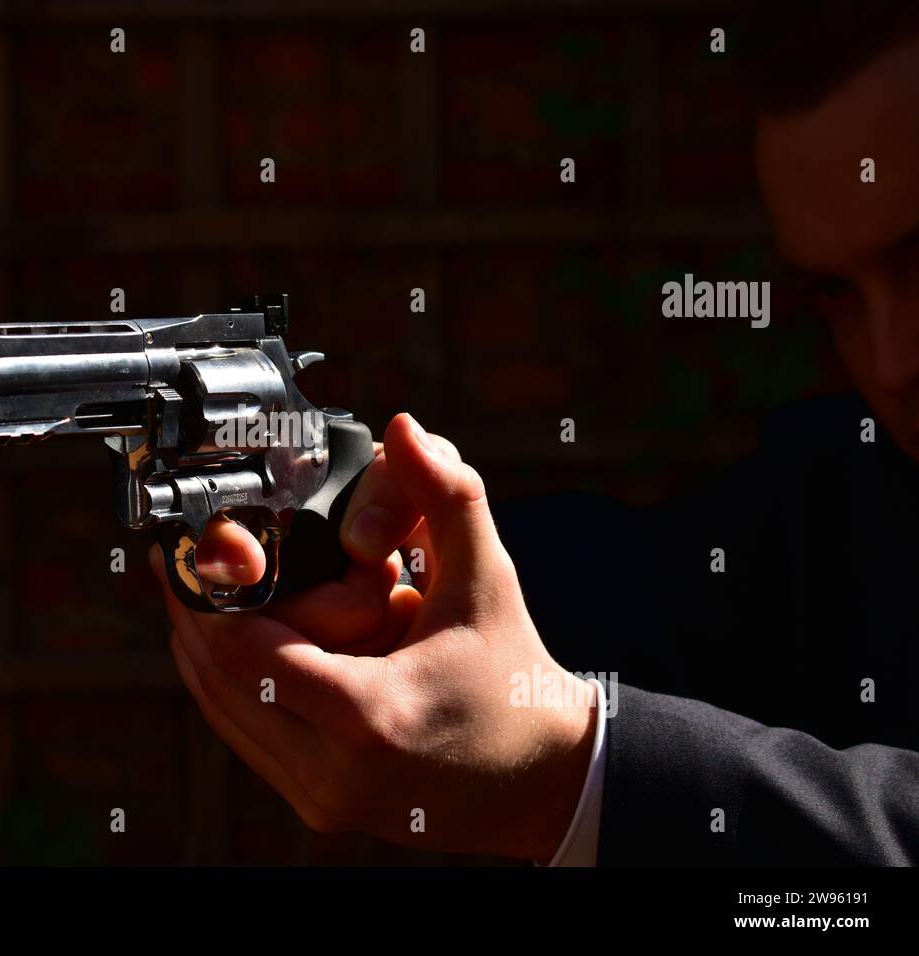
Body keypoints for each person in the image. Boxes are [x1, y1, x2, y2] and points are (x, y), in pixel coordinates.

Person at [149, 3, 919, 864]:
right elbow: (647, 584)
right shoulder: (851, 487)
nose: (892, 362)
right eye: (837, 295)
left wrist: (574, 769)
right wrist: (373, 556)